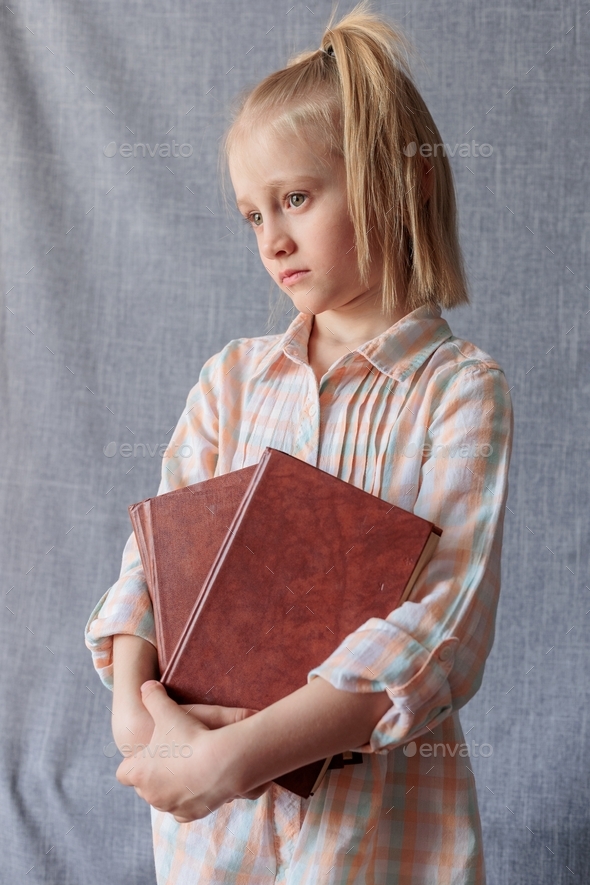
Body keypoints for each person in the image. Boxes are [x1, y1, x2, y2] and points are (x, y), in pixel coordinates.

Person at [85, 2, 513, 882]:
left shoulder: (458, 389)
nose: (272, 238)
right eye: (251, 215)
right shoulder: (231, 380)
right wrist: (139, 718)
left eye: (296, 198)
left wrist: (237, 757)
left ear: (403, 181)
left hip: (376, 837)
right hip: (216, 838)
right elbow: (152, 568)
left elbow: (441, 625)